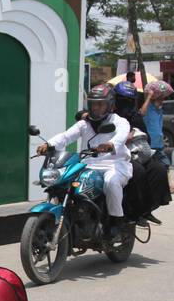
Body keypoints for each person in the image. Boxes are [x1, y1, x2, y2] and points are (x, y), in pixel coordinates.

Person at [37, 87, 134, 239]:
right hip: (88, 164)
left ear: (109, 104)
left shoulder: (119, 122)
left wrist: (110, 144)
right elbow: (65, 136)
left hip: (115, 165)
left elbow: (121, 137)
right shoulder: (84, 124)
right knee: (65, 181)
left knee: (111, 182)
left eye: (100, 104)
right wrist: (49, 144)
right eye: (94, 104)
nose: (96, 107)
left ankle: (116, 222)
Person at [142, 80, 174, 193]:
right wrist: (149, 96)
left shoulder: (158, 110)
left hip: (158, 143)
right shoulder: (148, 108)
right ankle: (169, 186)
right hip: (151, 143)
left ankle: (166, 185)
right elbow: (142, 112)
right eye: (161, 98)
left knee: (161, 165)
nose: (162, 101)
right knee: (163, 164)